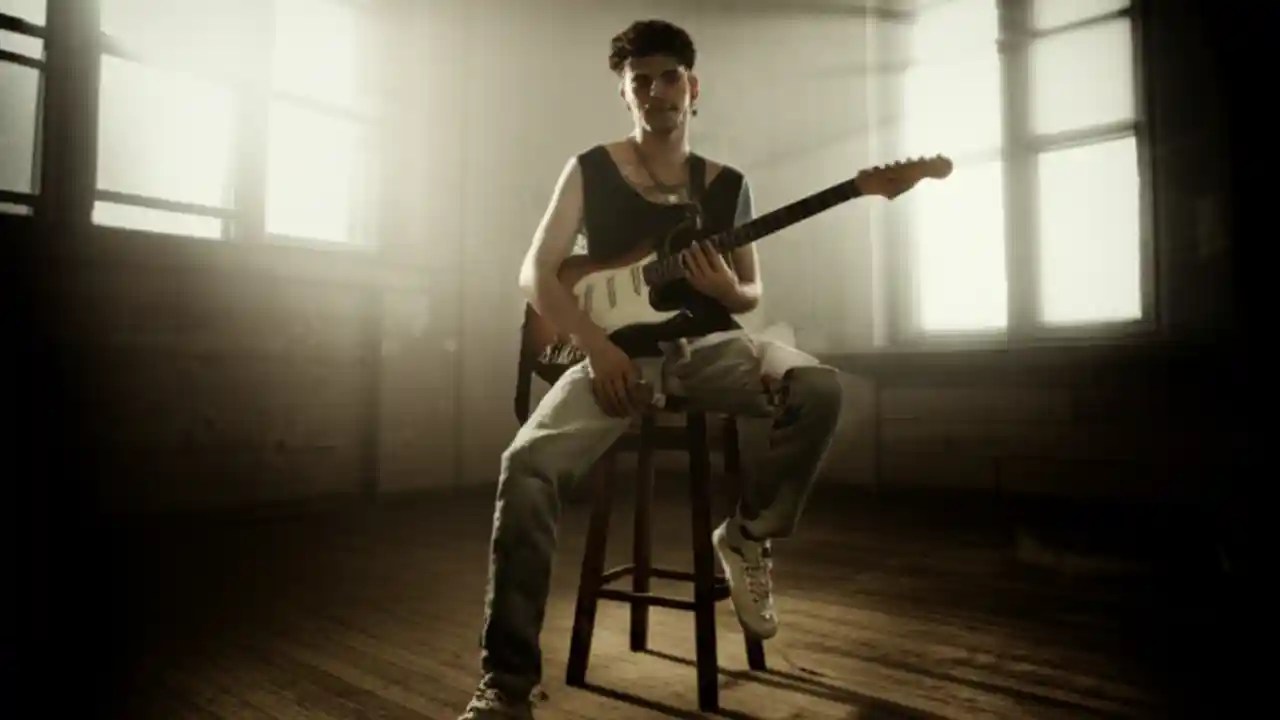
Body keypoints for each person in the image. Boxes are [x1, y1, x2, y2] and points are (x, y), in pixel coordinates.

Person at [458, 18, 844, 720]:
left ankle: (749, 535)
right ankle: (508, 687)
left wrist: (729, 292)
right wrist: (596, 347)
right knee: (525, 467)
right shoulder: (590, 168)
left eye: (668, 77)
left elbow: (752, 292)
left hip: (710, 349)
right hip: (618, 358)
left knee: (818, 386)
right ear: (625, 94)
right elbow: (535, 275)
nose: (654, 90)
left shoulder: (727, 185)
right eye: (639, 81)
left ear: (692, 88)